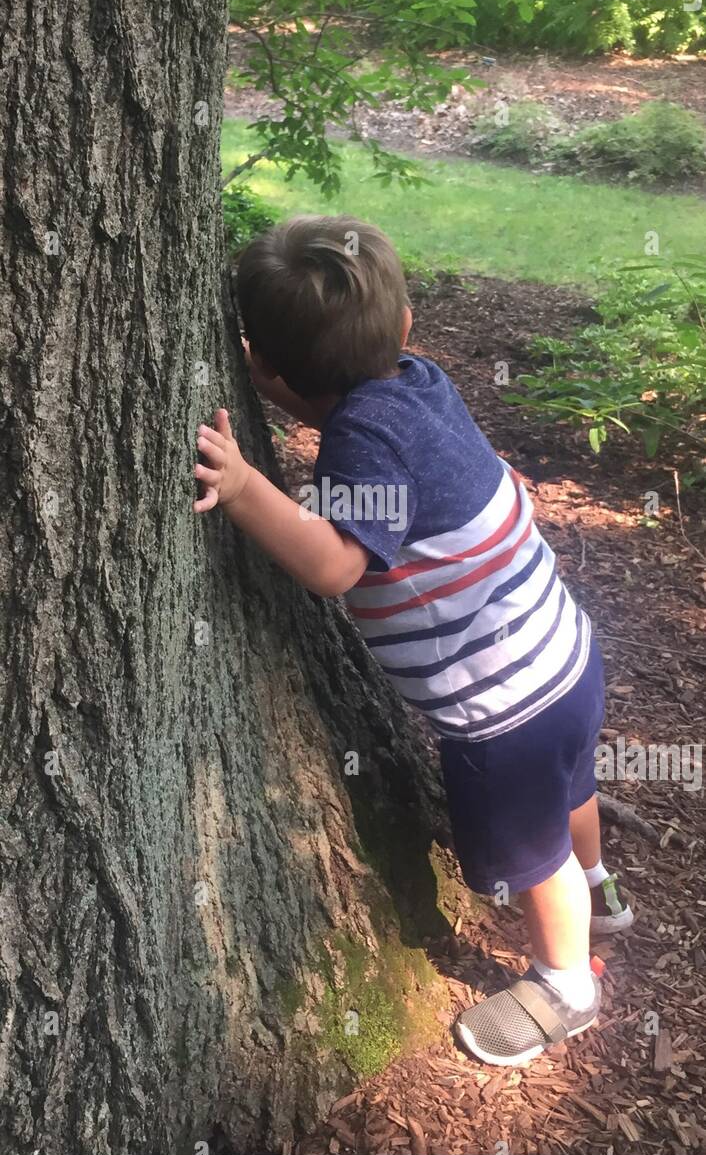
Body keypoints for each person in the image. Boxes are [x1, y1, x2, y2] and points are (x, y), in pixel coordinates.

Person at [193, 215, 633, 1065]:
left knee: (528, 854)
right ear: (402, 329)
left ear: (265, 372)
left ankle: (567, 983)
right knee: (571, 787)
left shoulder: (359, 444)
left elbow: (331, 565)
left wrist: (247, 487)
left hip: (504, 713)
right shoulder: (421, 381)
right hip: (565, 656)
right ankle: (599, 885)